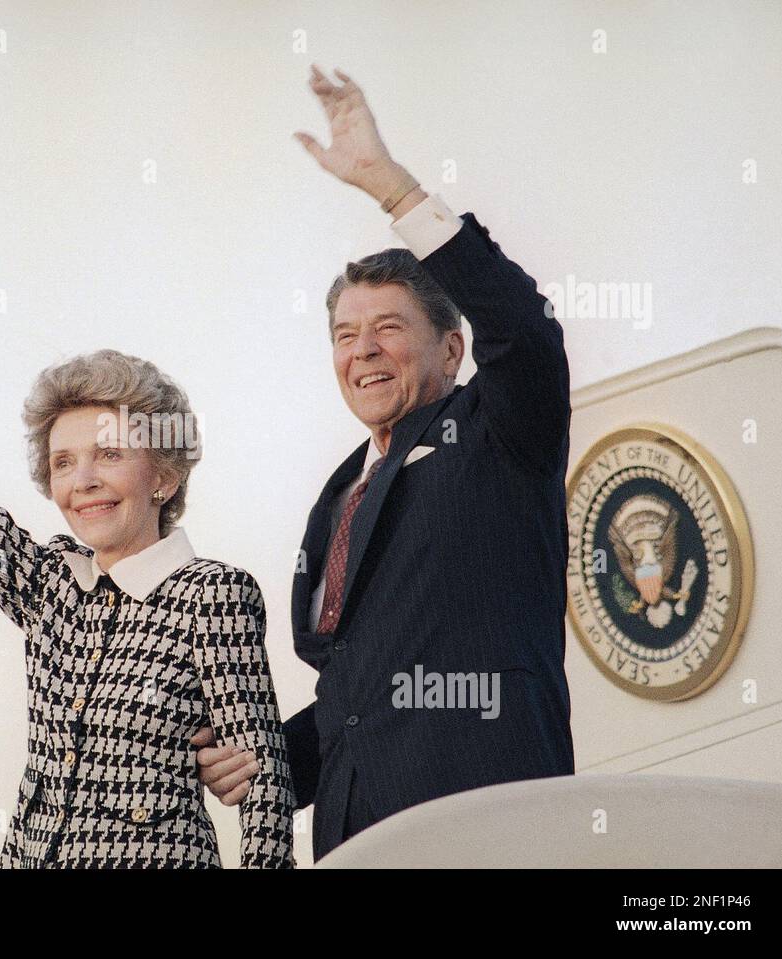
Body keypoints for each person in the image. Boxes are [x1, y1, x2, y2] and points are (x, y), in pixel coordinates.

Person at [195, 65, 575, 862]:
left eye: (389, 328)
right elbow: (359, 704)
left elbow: (527, 333)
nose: (362, 351)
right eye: (344, 334)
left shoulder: (499, 434)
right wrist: (263, 760)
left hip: (488, 832)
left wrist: (392, 189)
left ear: (452, 346)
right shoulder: (338, 497)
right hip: (357, 843)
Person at [0, 217, 294, 867]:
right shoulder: (50, 584)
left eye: (108, 454)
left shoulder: (215, 594)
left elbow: (263, 787)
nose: (83, 480)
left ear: (164, 474)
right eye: (63, 462)